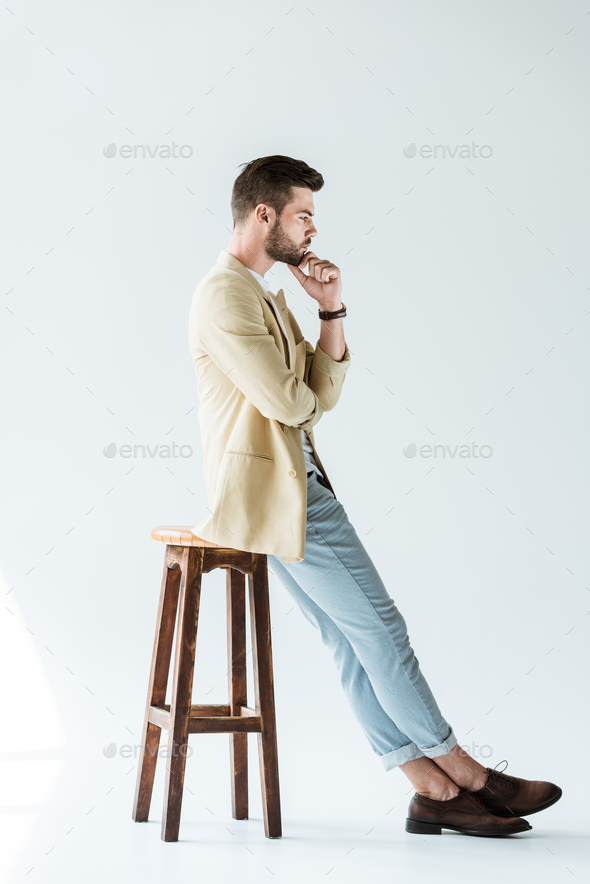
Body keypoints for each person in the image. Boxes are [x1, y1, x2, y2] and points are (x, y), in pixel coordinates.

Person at [187, 155, 562, 837]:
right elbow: (290, 401)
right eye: (303, 214)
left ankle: (431, 792)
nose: (311, 229)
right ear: (264, 214)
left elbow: (320, 395)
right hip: (283, 497)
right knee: (380, 630)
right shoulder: (225, 295)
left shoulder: (266, 295)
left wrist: (329, 308)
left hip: (294, 490)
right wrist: (303, 383)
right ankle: (470, 774)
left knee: (350, 638)